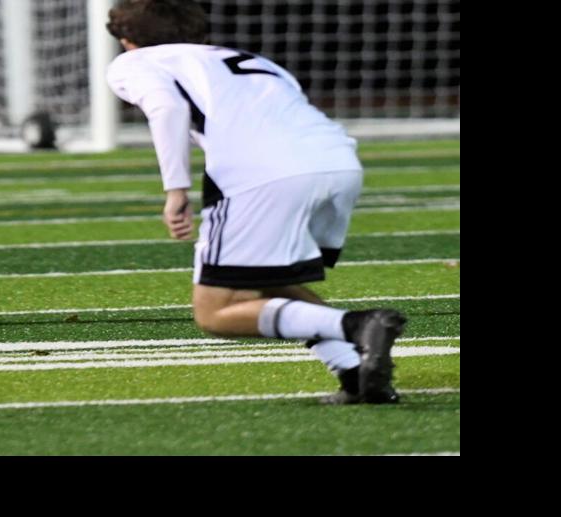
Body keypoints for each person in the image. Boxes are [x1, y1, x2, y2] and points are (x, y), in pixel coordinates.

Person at [105, 0, 407, 404]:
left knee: (215, 311)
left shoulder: (135, 62)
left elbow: (167, 107)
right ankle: (355, 372)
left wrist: (175, 189)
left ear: (128, 42)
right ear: (200, 34)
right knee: (266, 281)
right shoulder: (250, 59)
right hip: (338, 161)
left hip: (262, 174)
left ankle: (356, 325)